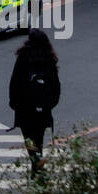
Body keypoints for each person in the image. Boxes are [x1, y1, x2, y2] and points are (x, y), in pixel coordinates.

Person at [8, 29, 60, 175]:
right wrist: (49, 103)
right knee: (39, 139)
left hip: (24, 107)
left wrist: (14, 102)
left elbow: (15, 80)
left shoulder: (23, 56)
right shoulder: (49, 58)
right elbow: (55, 85)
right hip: (42, 107)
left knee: (29, 139)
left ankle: (36, 163)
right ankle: (37, 168)